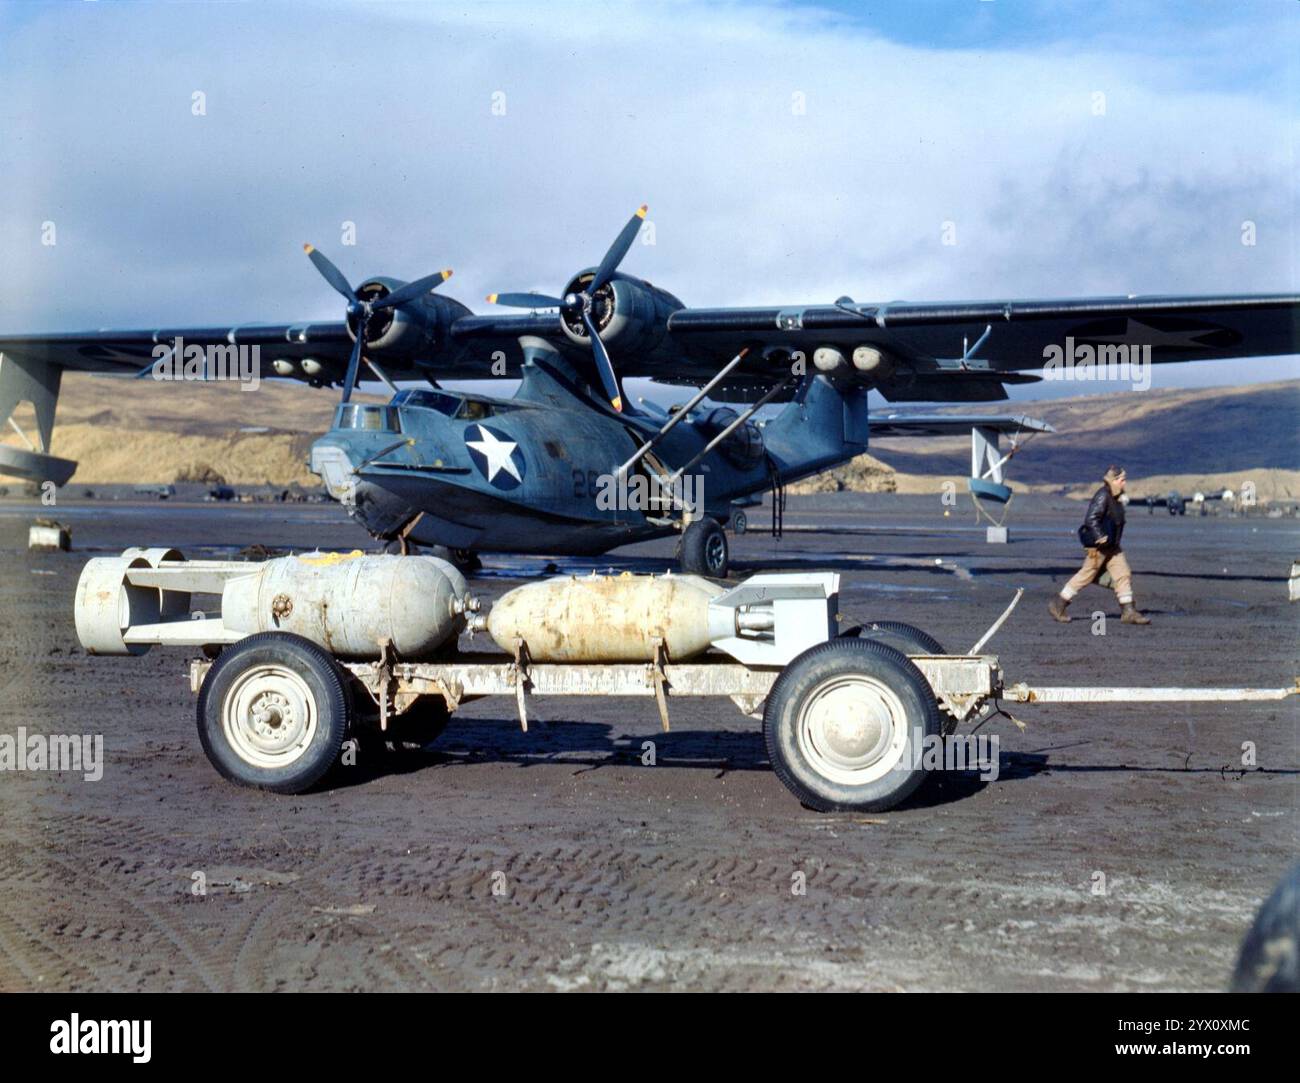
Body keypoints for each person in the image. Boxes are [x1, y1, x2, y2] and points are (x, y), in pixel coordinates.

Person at [1049, 465, 1151, 625]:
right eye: (1122, 480)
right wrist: (1099, 536)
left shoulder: (1116, 497)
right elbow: (1091, 518)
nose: (1124, 483)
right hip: (1099, 547)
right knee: (1086, 575)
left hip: (1112, 547)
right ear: (1114, 480)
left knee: (1123, 574)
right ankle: (1059, 604)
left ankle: (1128, 611)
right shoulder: (1103, 495)